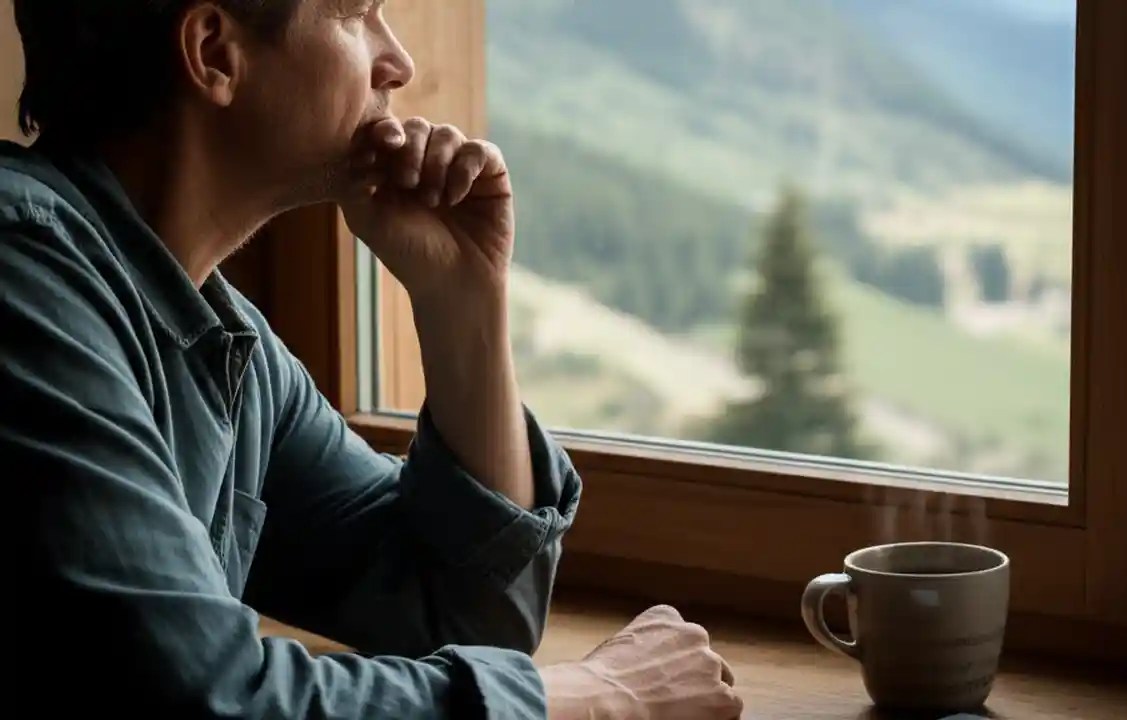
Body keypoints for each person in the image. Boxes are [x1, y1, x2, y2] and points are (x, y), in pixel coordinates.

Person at [1, 1, 743, 717]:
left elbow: (469, 613)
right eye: (356, 14)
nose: (398, 61)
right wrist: (602, 698)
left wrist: (461, 300)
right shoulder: (21, 278)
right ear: (214, 53)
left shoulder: (226, 349)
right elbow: (202, 697)